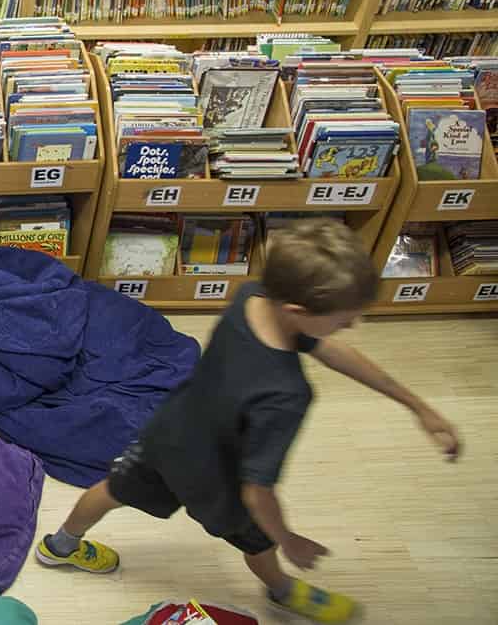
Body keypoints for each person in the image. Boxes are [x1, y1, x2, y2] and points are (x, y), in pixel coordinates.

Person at [34, 218, 461, 624]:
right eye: (343, 317)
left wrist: (415, 405)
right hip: (218, 478)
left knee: (111, 489)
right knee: (259, 542)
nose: (352, 323)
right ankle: (282, 590)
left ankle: (60, 546)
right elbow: (257, 493)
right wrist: (289, 539)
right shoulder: (286, 394)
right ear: (297, 310)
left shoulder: (253, 297)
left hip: (168, 433)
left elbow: (329, 350)